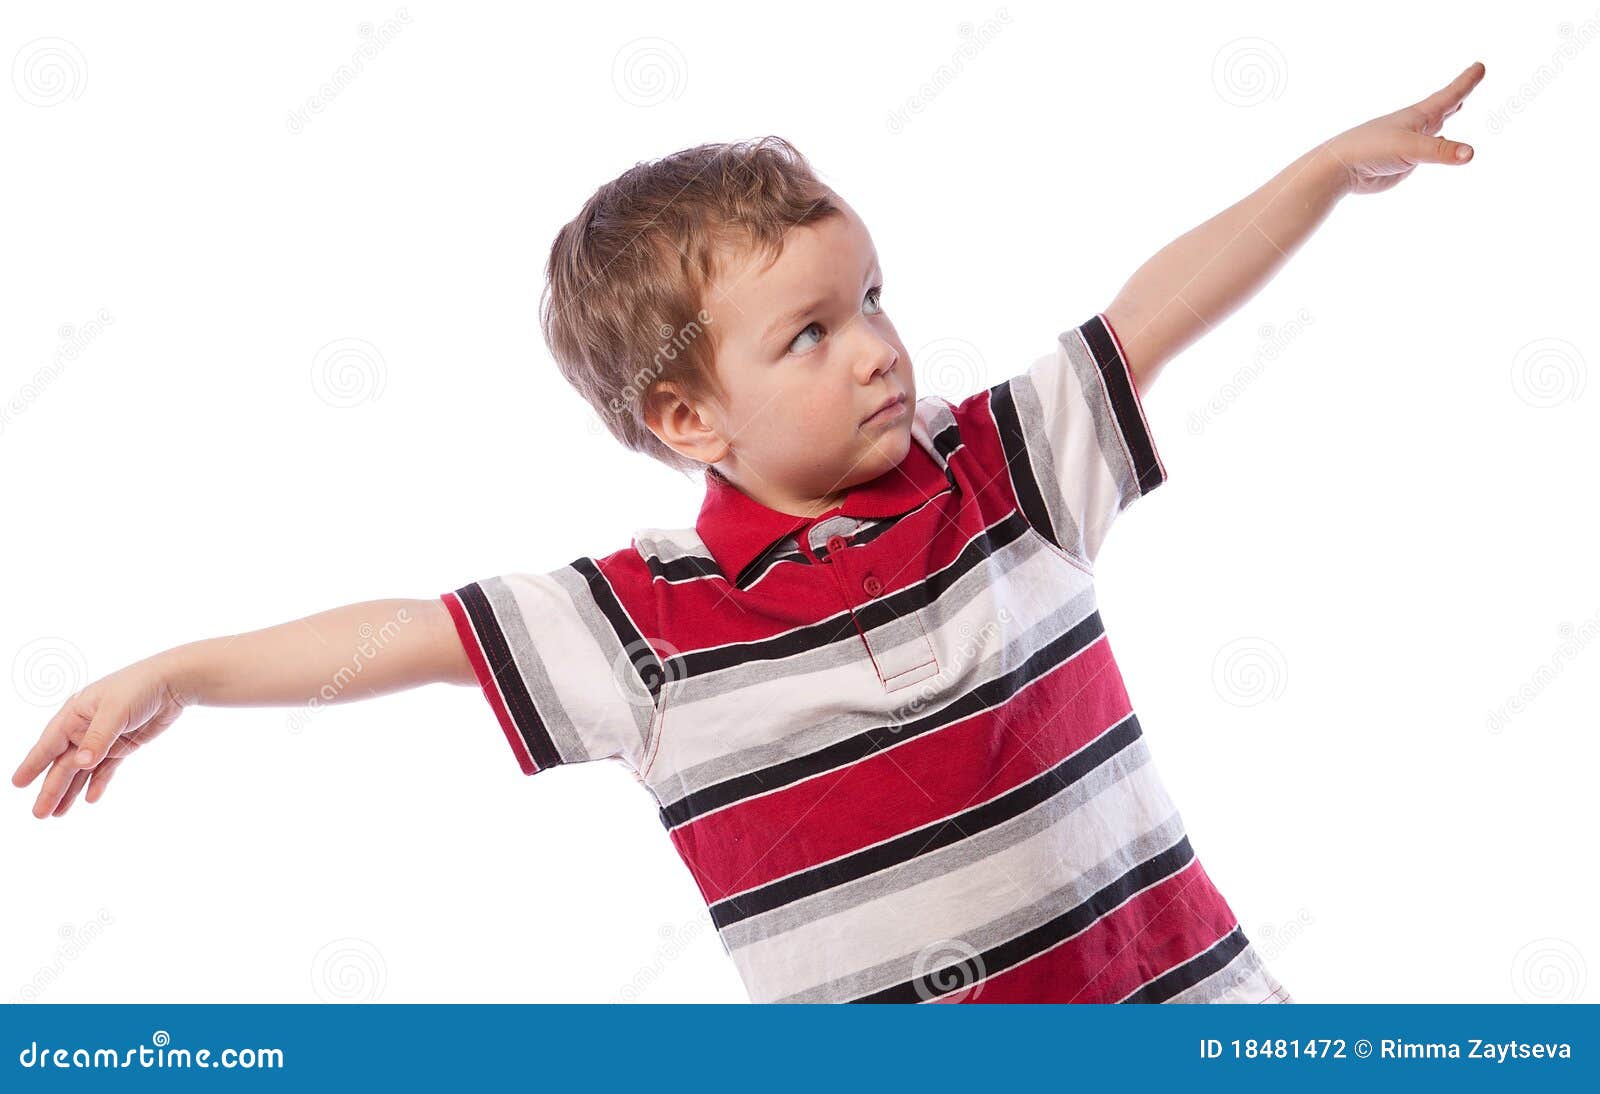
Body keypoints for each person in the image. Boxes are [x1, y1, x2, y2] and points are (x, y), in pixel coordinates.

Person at [13, 62, 1485, 1004]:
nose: (877, 350)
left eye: (874, 299)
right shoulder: (648, 627)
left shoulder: (1005, 474)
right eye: (810, 334)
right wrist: (179, 669)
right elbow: (400, 634)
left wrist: (1314, 177)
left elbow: (1151, 310)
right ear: (687, 419)